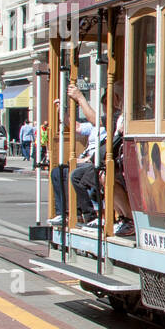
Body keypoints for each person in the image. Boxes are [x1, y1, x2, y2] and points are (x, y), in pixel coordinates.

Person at [50, 84, 107, 227]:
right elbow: (75, 127)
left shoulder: (108, 123)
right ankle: (64, 213)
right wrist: (61, 111)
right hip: (86, 158)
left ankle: (88, 214)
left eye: (106, 104)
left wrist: (80, 98)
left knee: (75, 174)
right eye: (103, 104)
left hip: (95, 160)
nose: (105, 107)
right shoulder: (94, 126)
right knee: (57, 172)